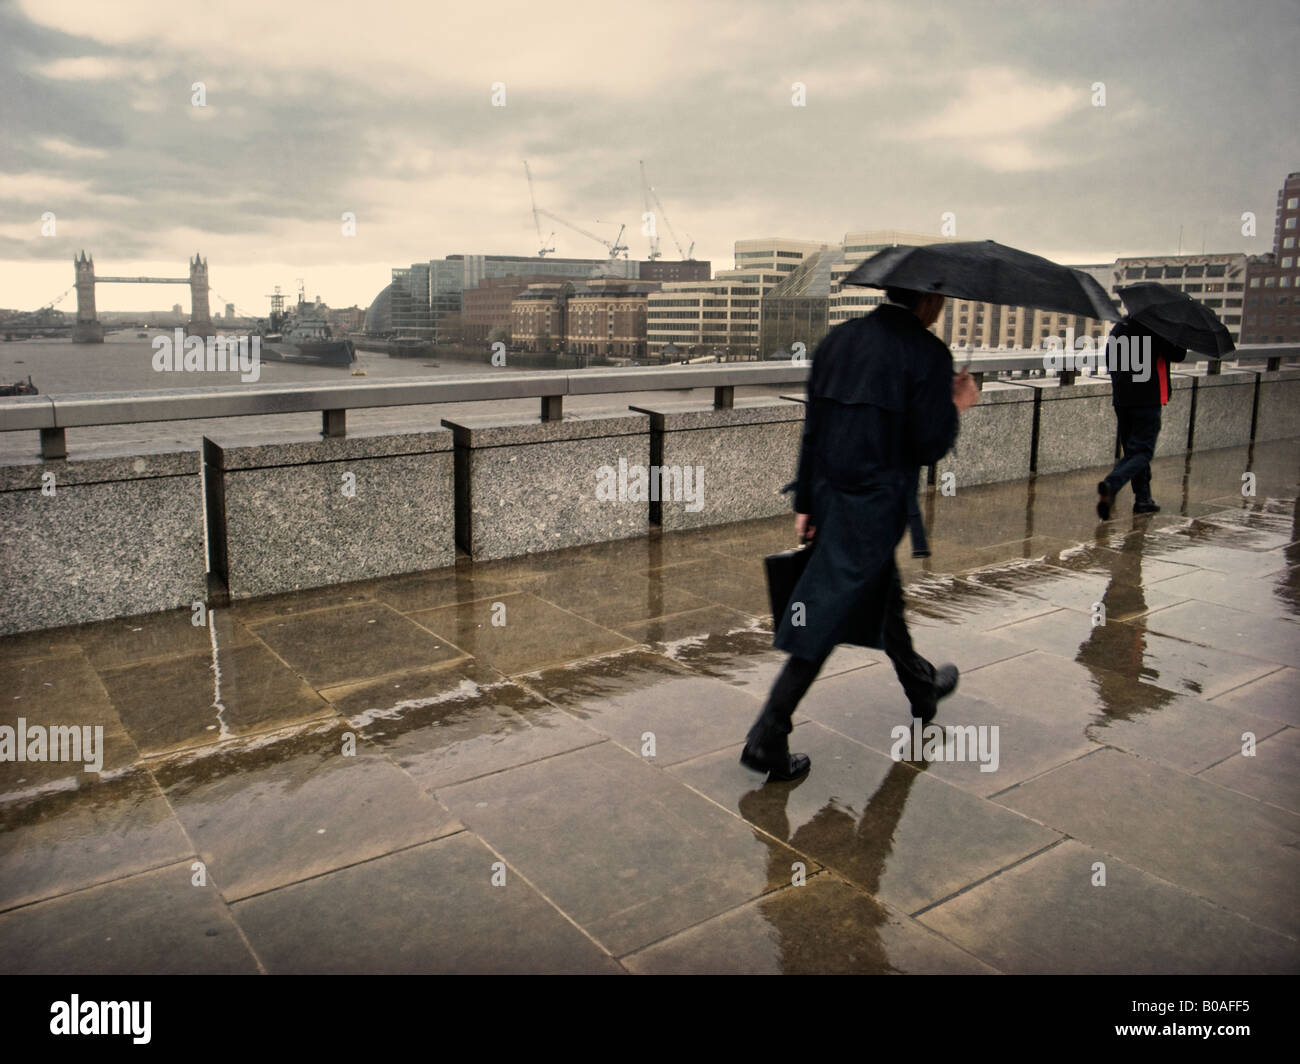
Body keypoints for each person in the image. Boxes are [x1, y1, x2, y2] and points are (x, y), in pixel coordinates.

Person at [741, 287, 980, 781]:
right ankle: (768, 733)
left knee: (882, 596)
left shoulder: (839, 340)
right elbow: (927, 443)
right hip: (875, 505)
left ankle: (921, 687)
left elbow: (814, 428)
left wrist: (806, 501)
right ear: (929, 303)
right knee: (825, 615)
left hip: (831, 496)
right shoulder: (929, 354)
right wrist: (955, 403)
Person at [1096, 316, 1187, 519]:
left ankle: (1143, 500)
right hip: (1146, 400)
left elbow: (1110, 359)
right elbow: (1177, 354)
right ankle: (1112, 484)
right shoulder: (1155, 327)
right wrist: (1178, 332)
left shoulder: (1119, 327)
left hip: (1122, 400)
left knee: (1133, 452)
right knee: (1142, 451)